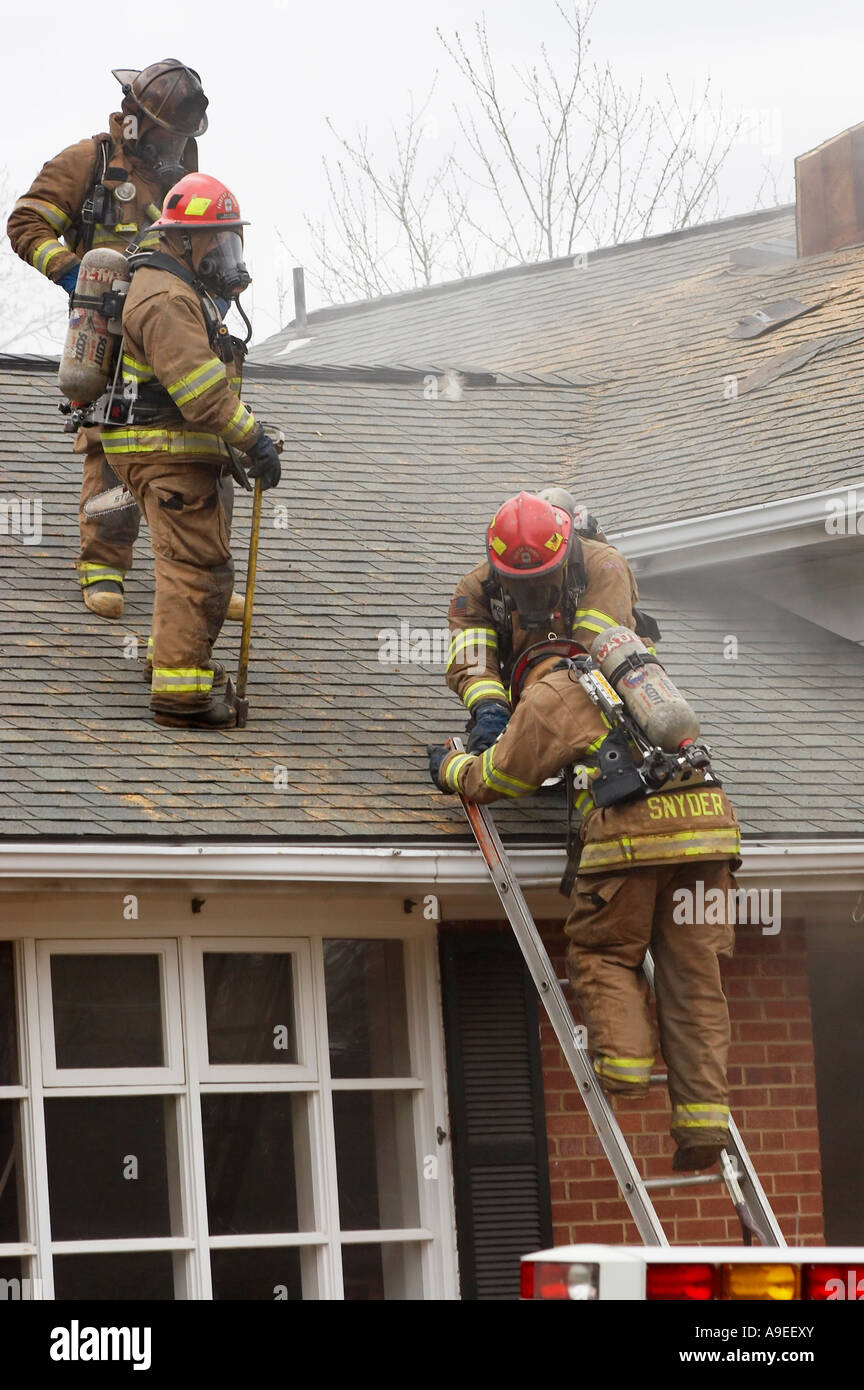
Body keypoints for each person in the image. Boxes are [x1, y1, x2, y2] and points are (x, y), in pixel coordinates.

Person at [428, 652, 740, 1172]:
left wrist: (449, 767)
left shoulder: (553, 691)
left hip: (632, 839)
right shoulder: (645, 680)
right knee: (695, 975)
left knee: (606, 952)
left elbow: (498, 779)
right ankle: (703, 1123)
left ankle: (626, 1068)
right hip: (711, 831)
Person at [6, 59, 241, 622]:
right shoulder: (89, 160)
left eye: (185, 136)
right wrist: (77, 276)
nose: (177, 145)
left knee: (197, 435)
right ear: (136, 119)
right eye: (169, 133)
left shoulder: (183, 168)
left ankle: (203, 576)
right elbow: (26, 223)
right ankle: (104, 566)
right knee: (110, 432)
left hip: (175, 321)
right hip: (108, 328)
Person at [98, 172, 281, 728]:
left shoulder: (179, 289)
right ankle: (180, 696)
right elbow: (201, 394)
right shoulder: (167, 298)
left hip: (176, 451)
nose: (227, 251)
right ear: (183, 239)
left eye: (232, 239)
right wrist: (253, 440)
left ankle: (171, 661)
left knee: (202, 567)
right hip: (164, 453)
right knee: (194, 571)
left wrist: (245, 438)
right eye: (217, 238)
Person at [445, 489, 653, 756]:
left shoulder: (604, 567)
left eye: (542, 576)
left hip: (609, 684)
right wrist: (490, 708)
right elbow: (472, 660)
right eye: (518, 580)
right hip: (526, 696)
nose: (531, 588)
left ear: (564, 554)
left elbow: (597, 653)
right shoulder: (476, 589)